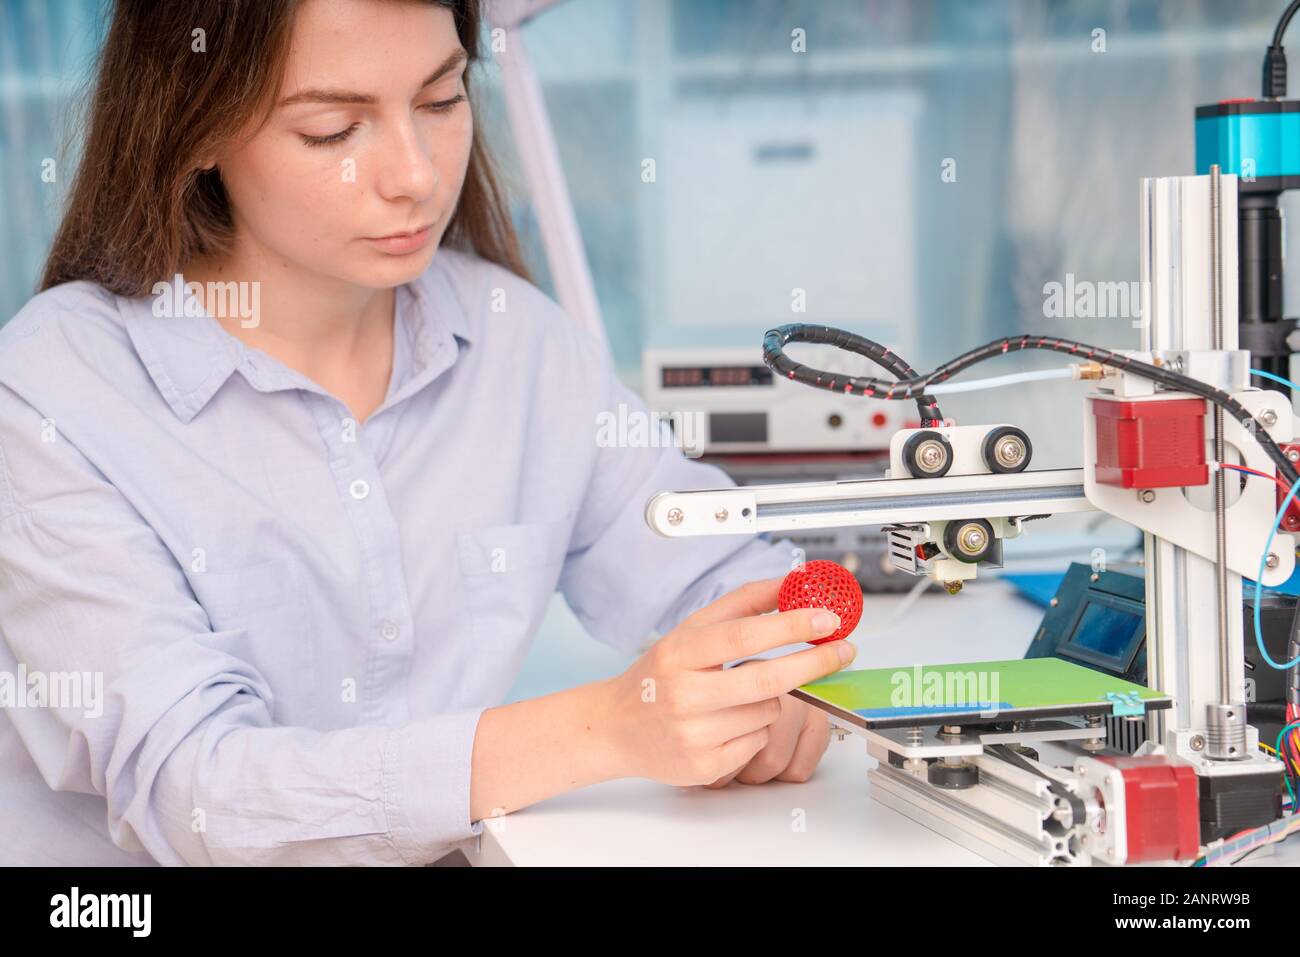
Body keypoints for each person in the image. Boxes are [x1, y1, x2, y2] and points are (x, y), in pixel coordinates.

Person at [0, 0, 855, 865]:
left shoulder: (515, 339)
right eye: (334, 130)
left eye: (442, 101)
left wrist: (780, 671)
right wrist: (614, 724)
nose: (414, 174)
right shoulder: (53, 392)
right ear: (198, 125)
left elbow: (733, 570)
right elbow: (199, 792)